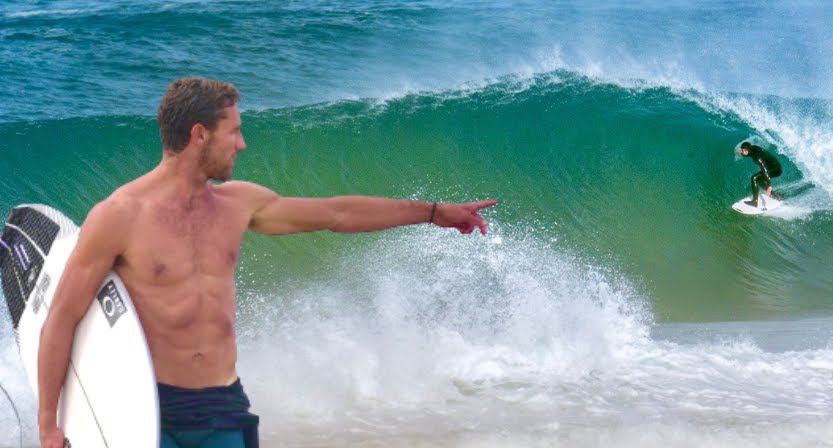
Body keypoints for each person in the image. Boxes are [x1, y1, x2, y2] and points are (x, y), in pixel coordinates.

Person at [37, 77, 496, 448]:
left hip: (220, 404)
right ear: (200, 134)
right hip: (147, 407)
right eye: (234, 131)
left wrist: (433, 213)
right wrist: (48, 424)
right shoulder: (120, 215)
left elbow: (336, 213)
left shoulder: (239, 204)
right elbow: (62, 315)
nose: (243, 145)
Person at [739, 141, 782, 206]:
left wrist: (769, 185)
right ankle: (775, 195)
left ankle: (755, 202)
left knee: (754, 178)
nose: (743, 152)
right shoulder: (752, 148)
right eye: (742, 150)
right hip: (774, 166)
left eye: (745, 150)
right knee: (759, 180)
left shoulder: (757, 158)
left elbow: (765, 171)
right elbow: (748, 153)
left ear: (748, 149)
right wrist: (741, 154)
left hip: (776, 169)